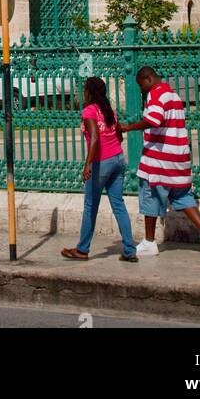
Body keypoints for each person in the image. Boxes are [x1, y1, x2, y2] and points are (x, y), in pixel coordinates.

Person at [119, 65, 200, 256]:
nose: (141, 90)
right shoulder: (174, 95)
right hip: (179, 159)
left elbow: (154, 120)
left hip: (159, 160)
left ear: (148, 79)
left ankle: (149, 242)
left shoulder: (156, 93)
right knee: (184, 197)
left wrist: (128, 127)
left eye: (141, 86)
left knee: (149, 194)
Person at [61, 76, 138, 262]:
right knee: (118, 204)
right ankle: (129, 249)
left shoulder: (89, 111)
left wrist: (87, 164)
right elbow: (118, 133)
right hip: (118, 158)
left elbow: (94, 138)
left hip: (101, 162)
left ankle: (82, 249)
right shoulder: (108, 110)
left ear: (88, 92)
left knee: (90, 206)